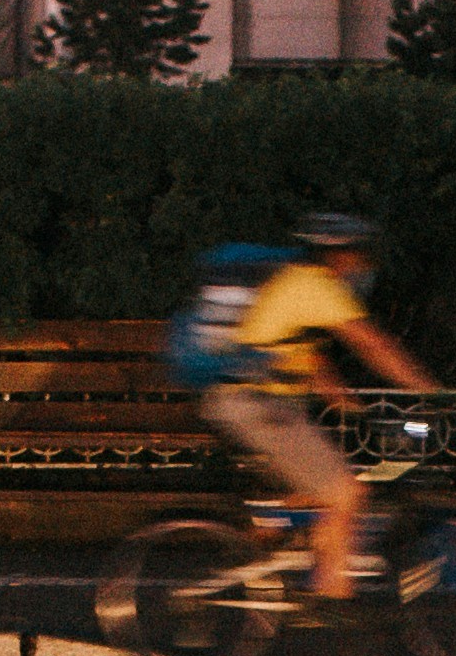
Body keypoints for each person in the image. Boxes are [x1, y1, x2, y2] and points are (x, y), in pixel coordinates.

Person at [168, 213, 433, 605]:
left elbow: (314, 368)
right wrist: (431, 392)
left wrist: (357, 411)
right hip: (256, 407)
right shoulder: (315, 285)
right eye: (360, 256)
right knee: (345, 494)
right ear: (340, 256)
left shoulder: (292, 286)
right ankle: (329, 602)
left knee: (322, 489)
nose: (364, 266)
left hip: (245, 404)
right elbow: (372, 344)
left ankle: (275, 541)